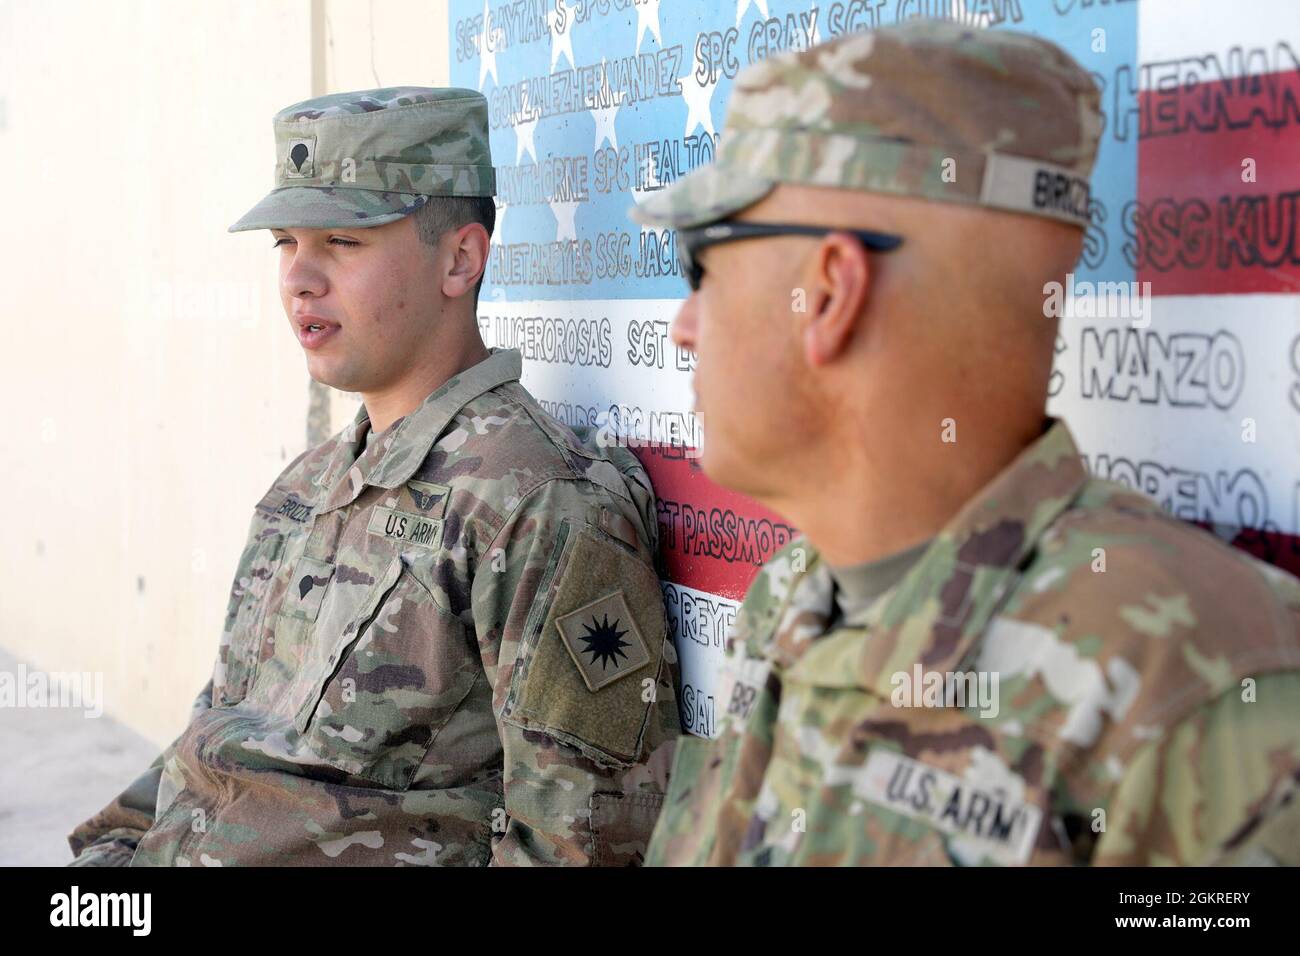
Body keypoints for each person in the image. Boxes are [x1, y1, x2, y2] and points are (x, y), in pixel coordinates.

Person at [630, 22, 1300, 866]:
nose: (685, 326)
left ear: (829, 292)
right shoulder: (789, 601)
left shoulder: (1198, 696)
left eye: (705, 267)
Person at [68, 86, 680, 866]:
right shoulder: (306, 488)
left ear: (459, 259)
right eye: (285, 242)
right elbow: (214, 738)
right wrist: (104, 862)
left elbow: (583, 846)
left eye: (343, 241)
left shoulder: (539, 508)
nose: (299, 277)